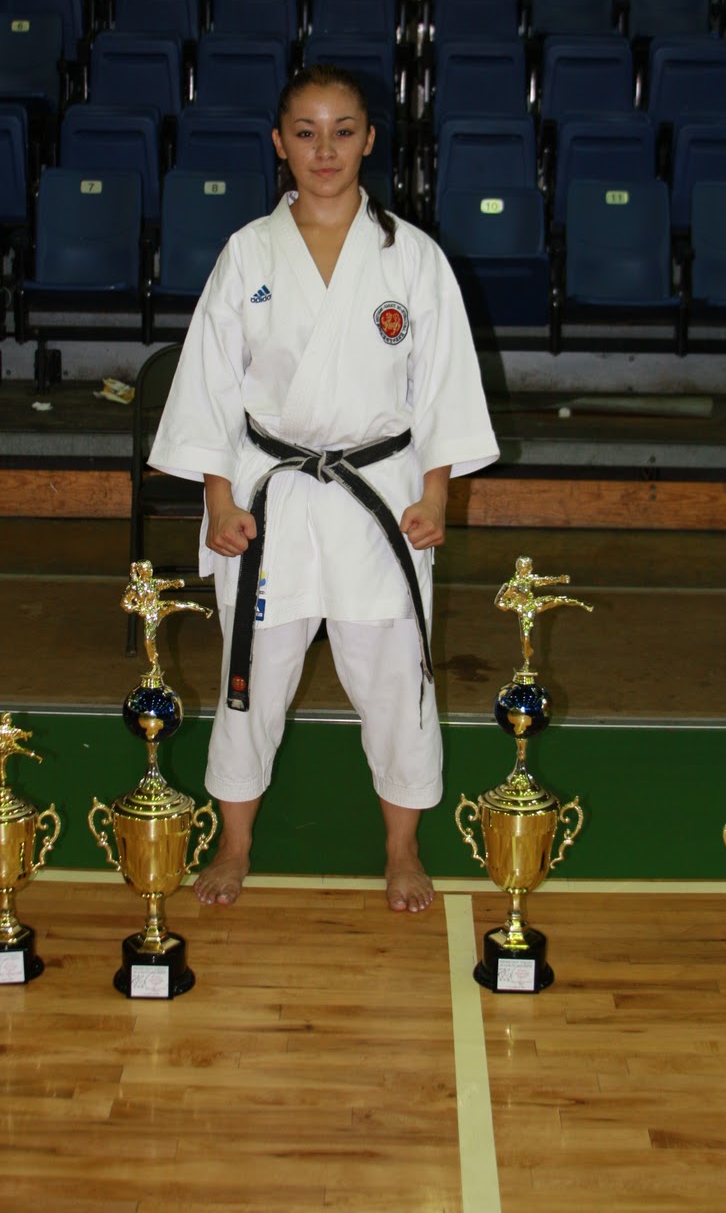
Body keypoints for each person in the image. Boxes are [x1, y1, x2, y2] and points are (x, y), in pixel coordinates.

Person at [148, 64, 498, 912]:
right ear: (279, 144)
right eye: (305, 131)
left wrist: (437, 494)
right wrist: (218, 499)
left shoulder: (410, 258)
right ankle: (234, 846)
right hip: (269, 493)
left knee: (393, 678)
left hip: (379, 495)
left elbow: (441, 387)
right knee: (251, 674)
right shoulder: (247, 253)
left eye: (343, 130)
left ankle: (401, 850)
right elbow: (208, 386)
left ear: (370, 139)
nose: (325, 149)